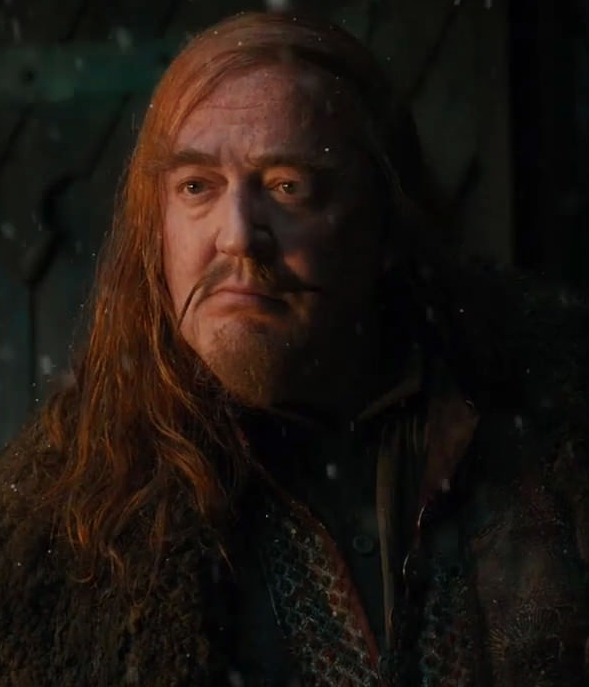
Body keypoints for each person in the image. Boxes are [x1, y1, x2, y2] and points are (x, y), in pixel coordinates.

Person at [1, 10, 588, 687]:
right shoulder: (66, 524)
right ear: (156, 229)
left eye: (287, 186)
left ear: (380, 221)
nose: (238, 236)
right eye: (196, 187)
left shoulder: (547, 430)